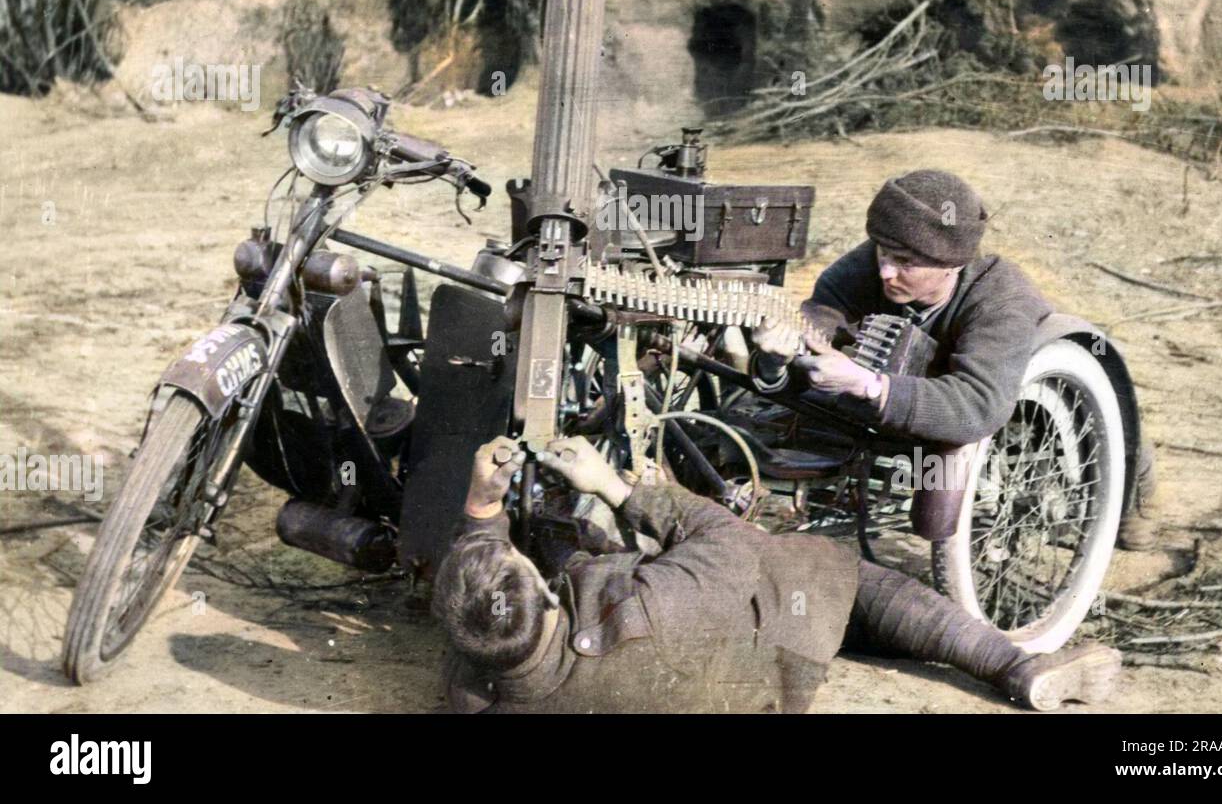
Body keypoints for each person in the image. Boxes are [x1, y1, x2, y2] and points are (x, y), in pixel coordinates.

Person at [432, 435, 1122, 714]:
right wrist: (615, 487)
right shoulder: (658, 603)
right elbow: (726, 536)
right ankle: (1015, 668)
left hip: (720, 692)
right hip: (774, 646)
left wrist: (482, 506)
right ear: (550, 599)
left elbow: (486, 599)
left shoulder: (475, 692)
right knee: (861, 584)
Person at [750, 168, 1159, 550]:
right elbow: (819, 333)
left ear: (953, 264)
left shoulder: (1000, 300)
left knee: (934, 517)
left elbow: (979, 406)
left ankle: (1135, 492)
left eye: (906, 263)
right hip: (897, 394)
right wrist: (778, 357)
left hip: (967, 397)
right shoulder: (863, 269)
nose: (887, 273)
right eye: (883, 253)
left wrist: (866, 383)